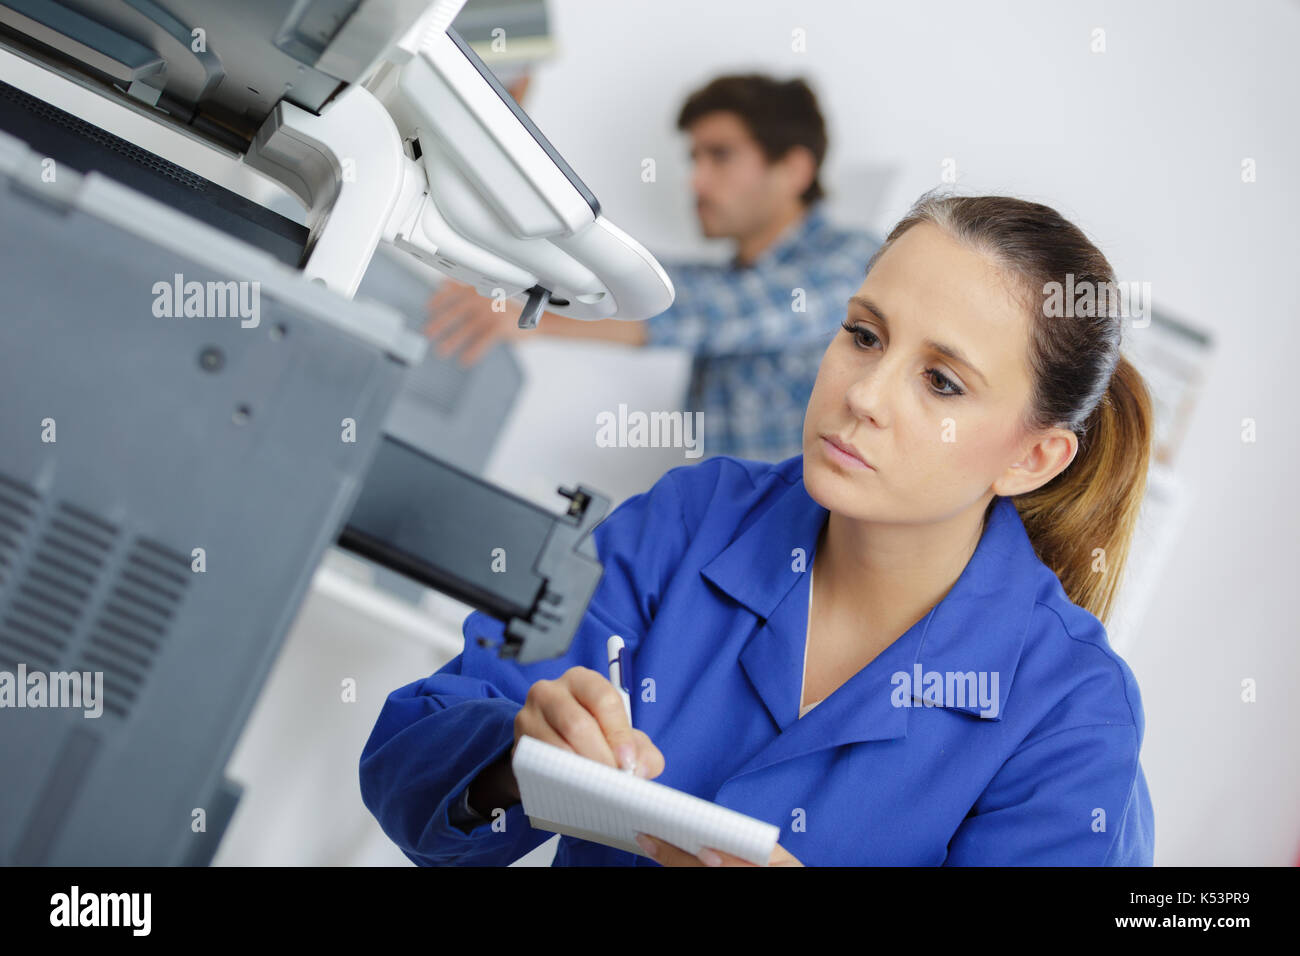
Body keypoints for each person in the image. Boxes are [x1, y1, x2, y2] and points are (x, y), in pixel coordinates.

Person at [359, 192, 1157, 866]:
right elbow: (408, 760)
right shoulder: (695, 518)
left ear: (1031, 458)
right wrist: (516, 757)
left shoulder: (1071, 711)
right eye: (864, 335)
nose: (864, 395)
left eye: (941, 382)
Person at [423, 73, 882, 462]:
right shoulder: (730, 278)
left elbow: (709, 313)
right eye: (695, 159)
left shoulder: (858, 264)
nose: (696, 181)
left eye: (720, 155)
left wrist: (530, 318)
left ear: (795, 169)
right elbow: (629, 274)